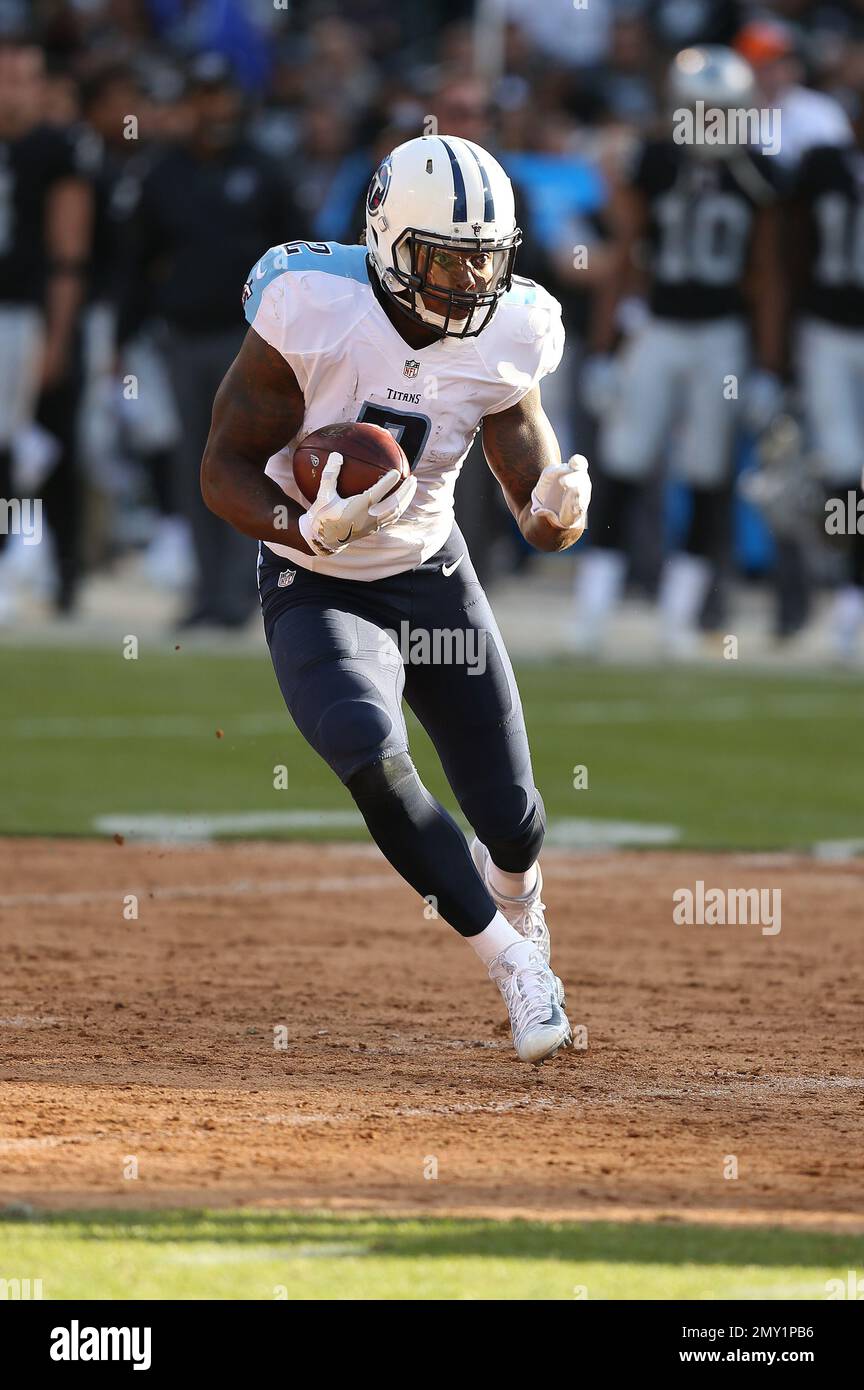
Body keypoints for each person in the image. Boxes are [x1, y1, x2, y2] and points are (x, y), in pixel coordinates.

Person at [201, 135, 592, 1064]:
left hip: (430, 573)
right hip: (316, 580)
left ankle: (524, 912)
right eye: (444, 259)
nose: (466, 282)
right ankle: (512, 968)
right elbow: (219, 469)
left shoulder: (511, 331)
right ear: (384, 239)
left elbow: (534, 509)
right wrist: (302, 532)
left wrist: (558, 514)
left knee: (514, 818)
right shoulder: (309, 306)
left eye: (484, 261)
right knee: (365, 749)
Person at [576, 45, 785, 656]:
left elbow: (768, 273)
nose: (710, 123)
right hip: (661, 329)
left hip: (722, 334)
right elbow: (626, 256)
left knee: (707, 470)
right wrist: (605, 348)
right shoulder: (657, 160)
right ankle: (593, 609)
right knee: (623, 460)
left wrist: (769, 366)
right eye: (700, 109)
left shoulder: (758, 173)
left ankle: (680, 617)